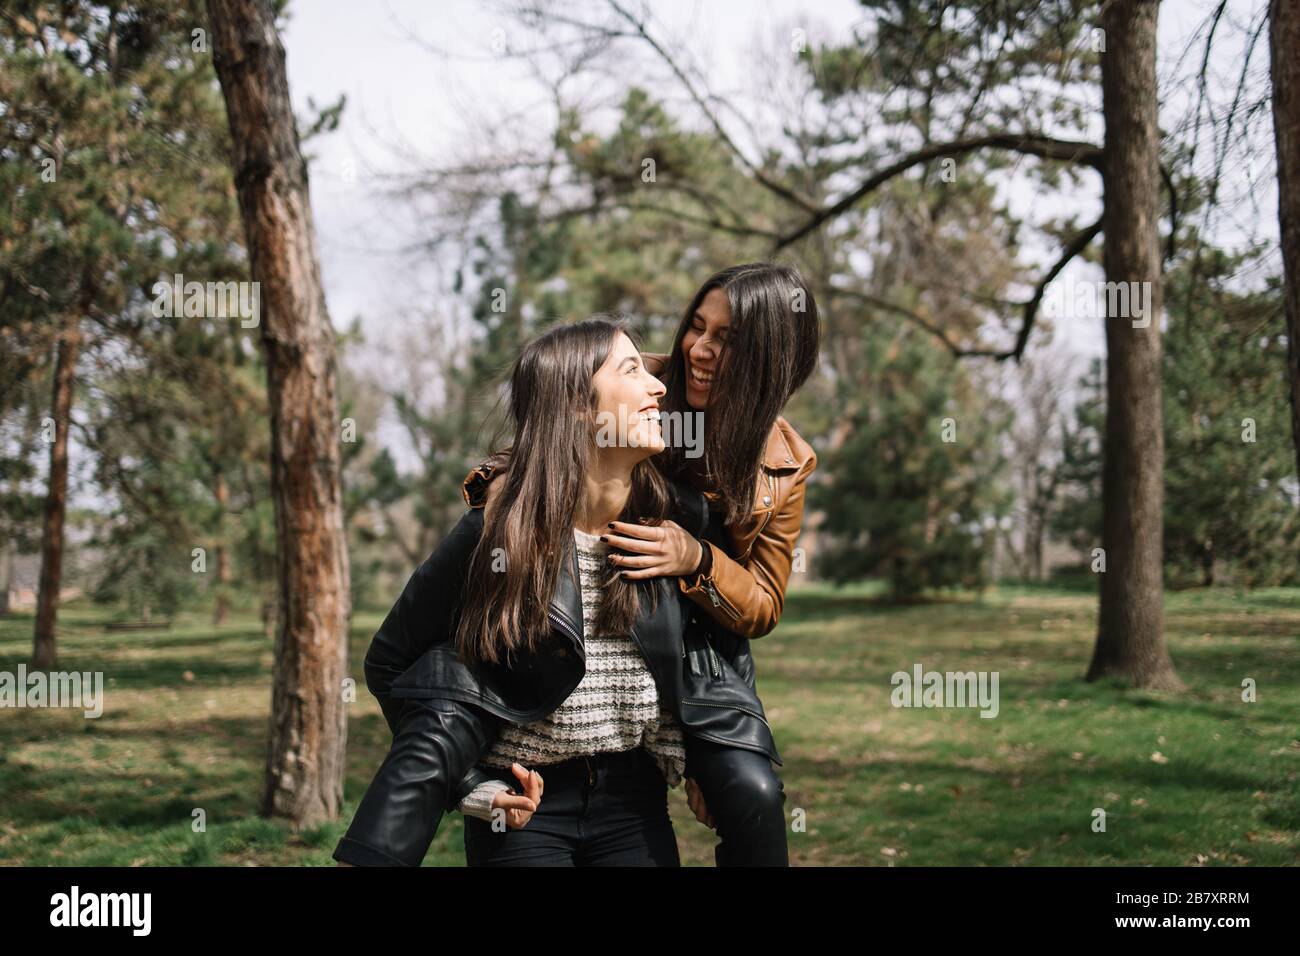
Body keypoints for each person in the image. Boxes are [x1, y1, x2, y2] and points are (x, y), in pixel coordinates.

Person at [333, 316, 781, 866]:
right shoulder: (496, 532)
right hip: (525, 810)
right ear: (575, 405)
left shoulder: (682, 522)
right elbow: (390, 662)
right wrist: (475, 787)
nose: (659, 386)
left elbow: (728, 642)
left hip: (633, 803)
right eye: (632, 369)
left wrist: (715, 763)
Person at [460, 262, 820, 866]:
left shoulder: (785, 463)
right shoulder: (640, 383)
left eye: (725, 339)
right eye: (697, 327)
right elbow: (550, 432)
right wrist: (498, 486)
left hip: (702, 651)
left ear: (769, 359)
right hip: (615, 623)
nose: (698, 349)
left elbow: (763, 603)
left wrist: (696, 559)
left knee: (752, 795)